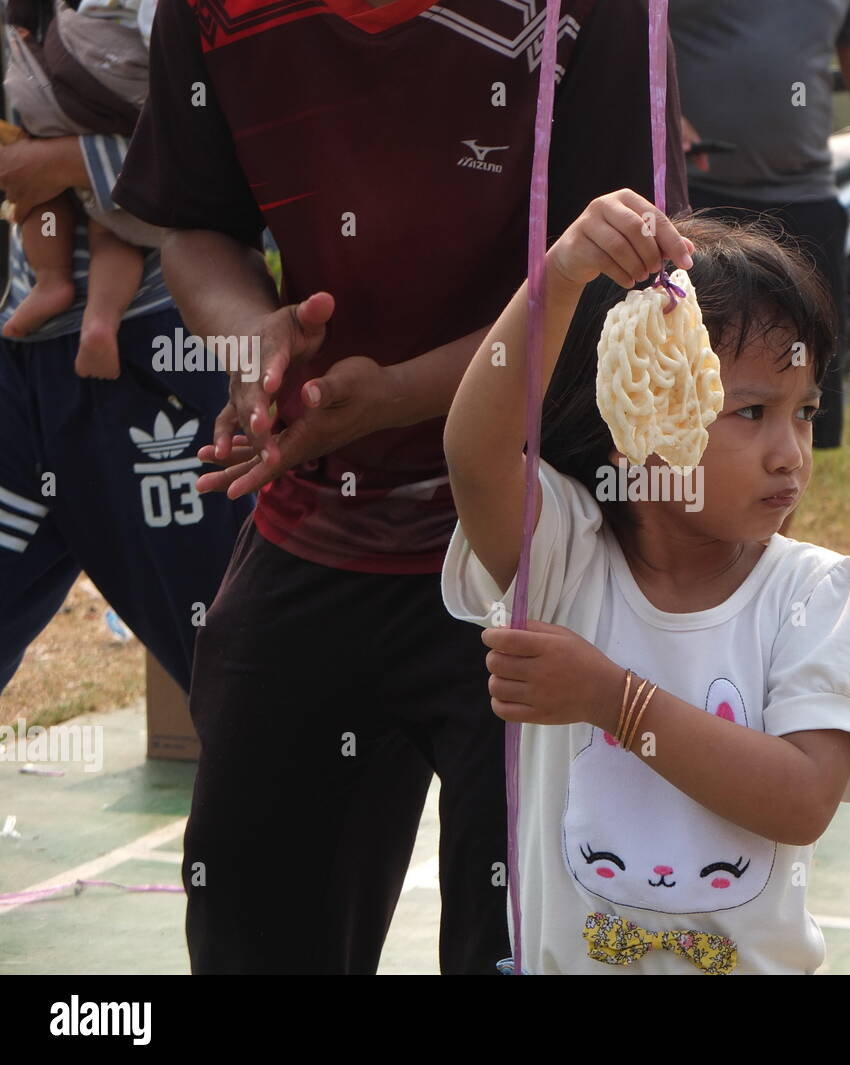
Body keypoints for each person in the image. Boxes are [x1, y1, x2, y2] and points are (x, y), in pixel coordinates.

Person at [110, 0, 688, 975]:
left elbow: (633, 279)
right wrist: (254, 337)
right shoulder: (206, 14)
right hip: (320, 527)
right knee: (250, 924)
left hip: (537, 550)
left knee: (518, 946)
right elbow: (196, 229)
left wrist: (392, 400)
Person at [441, 190, 850, 975]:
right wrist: (562, 273)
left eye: (806, 410)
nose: (790, 452)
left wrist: (613, 698)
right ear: (637, 426)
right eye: (750, 412)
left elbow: (802, 797)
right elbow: (474, 451)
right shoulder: (566, 557)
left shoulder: (820, 595)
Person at [0, 0, 250, 695]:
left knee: (227, 666)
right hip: (30, 353)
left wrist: (68, 160)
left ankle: (302, 796)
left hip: (160, 355)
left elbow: (234, 153)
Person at [670, 0, 850, 481]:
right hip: (687, 201)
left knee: (795, 400)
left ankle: (764, 552)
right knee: (682, 401)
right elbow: (614, 43)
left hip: (805, 206)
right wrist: (661, 110)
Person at [2, 0, 161, 379]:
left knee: (43, 192)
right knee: (109, 231)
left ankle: (52, 279)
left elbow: (211, 146)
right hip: (35, 338)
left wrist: (59, 161)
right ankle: (100, 320)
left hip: (157, 323)